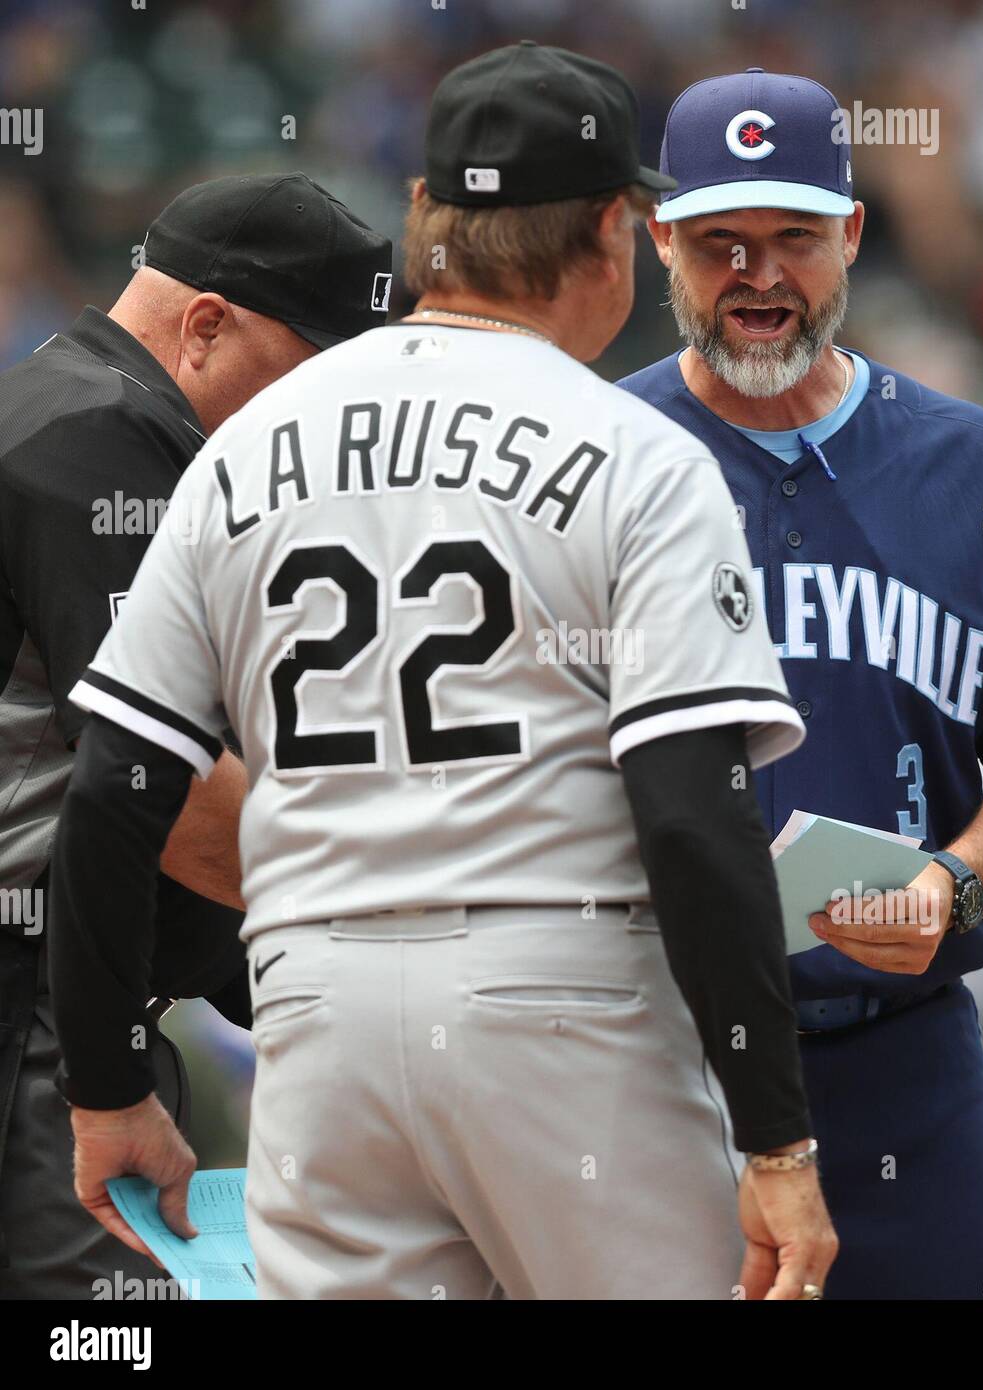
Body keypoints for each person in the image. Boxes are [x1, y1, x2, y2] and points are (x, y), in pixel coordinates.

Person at [47, 42, 837, 1302]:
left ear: (424, 219)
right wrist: (775, 1136)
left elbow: (112, 792)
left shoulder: (242, 453)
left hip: (317, 1018)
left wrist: (104, 1085)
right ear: (613, 233)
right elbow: (694, 821)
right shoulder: (634, 454)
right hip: (564, 1002)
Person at [618, 67, 983, 1300]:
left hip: (908, 1057)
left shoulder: (968, 463)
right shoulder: (600, 457)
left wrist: (953, 882)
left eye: (792, 236)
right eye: (718, 243)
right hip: (657, 1065)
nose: (757, 275)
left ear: (850, 232)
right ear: (659, 244)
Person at [0, 172, 391, 1298]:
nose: (331, 427)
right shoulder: (94, 434)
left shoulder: (90, 417)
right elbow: (166, 801)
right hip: (33, 1014)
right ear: (207, 327)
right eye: (313, 380)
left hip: (72, 997)